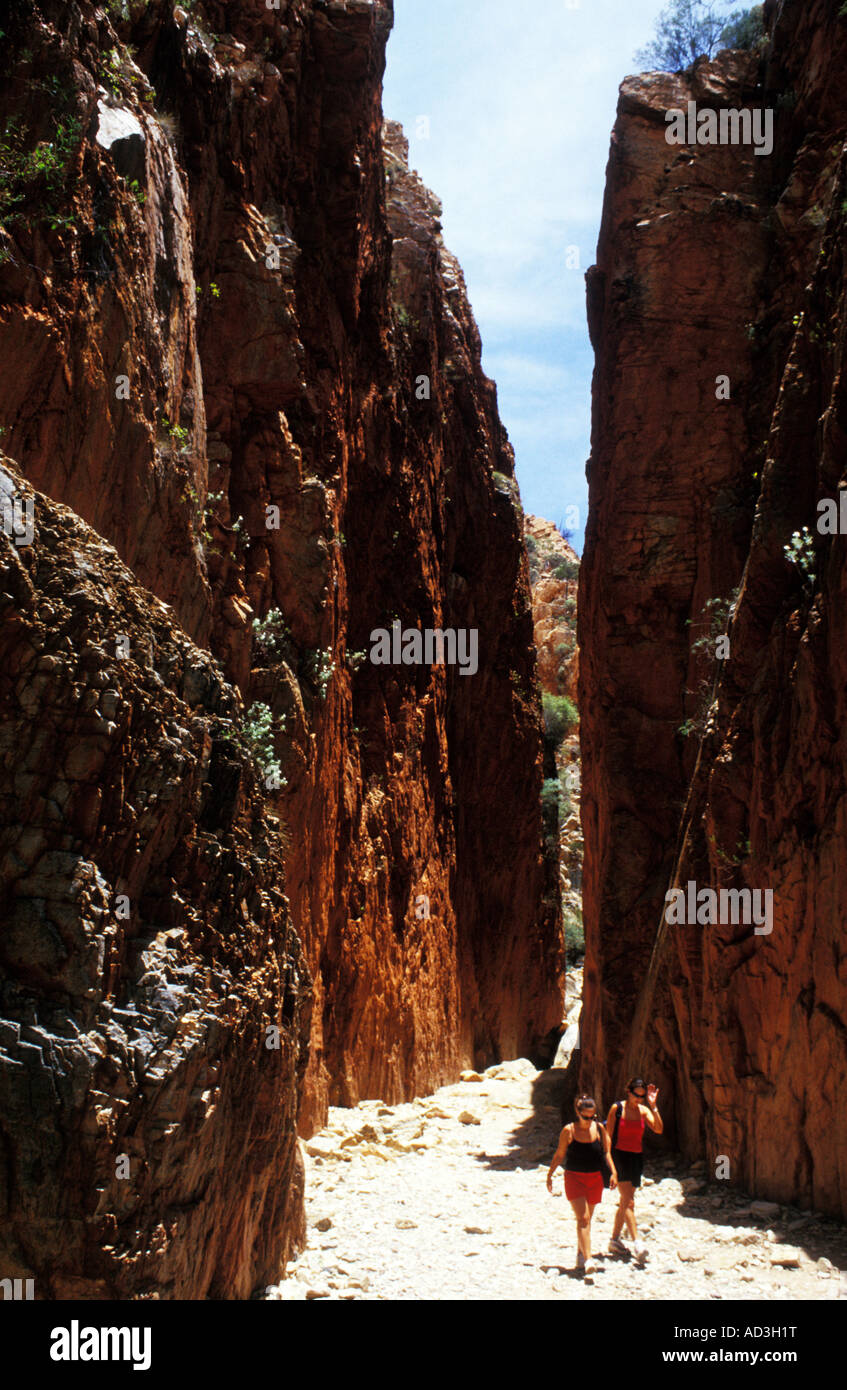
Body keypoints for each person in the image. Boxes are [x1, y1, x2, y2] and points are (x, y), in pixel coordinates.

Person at [547, 1095, 617, 1276]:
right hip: (574, 1178)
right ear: (578, 1113)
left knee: (586, 1220)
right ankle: (588, 1260)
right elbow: (559, 1154)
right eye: (586, 1117)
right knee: (583, 1218)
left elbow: (607, 1153)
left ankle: (580, 1253)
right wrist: (550, 1174)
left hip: (595, 1179)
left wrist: (614, 1172)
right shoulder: (568, 1131)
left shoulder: (600, 1129)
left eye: (592, 1117)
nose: (589, 1120)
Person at [605, 1077, 663, 1266]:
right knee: (629, 1201)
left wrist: (653, 1106)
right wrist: (610, 1165)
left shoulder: (644, 1111)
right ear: (628, 1091)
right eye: (636, 1095)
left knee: (626, 1200)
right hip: (619, 1157)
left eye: (642, 1096)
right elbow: (607, 1137)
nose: (639, 1099)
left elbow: (659, 1129)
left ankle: (614, 1240)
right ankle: (637, 1242)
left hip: (636, 1158)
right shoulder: (617, 1109)